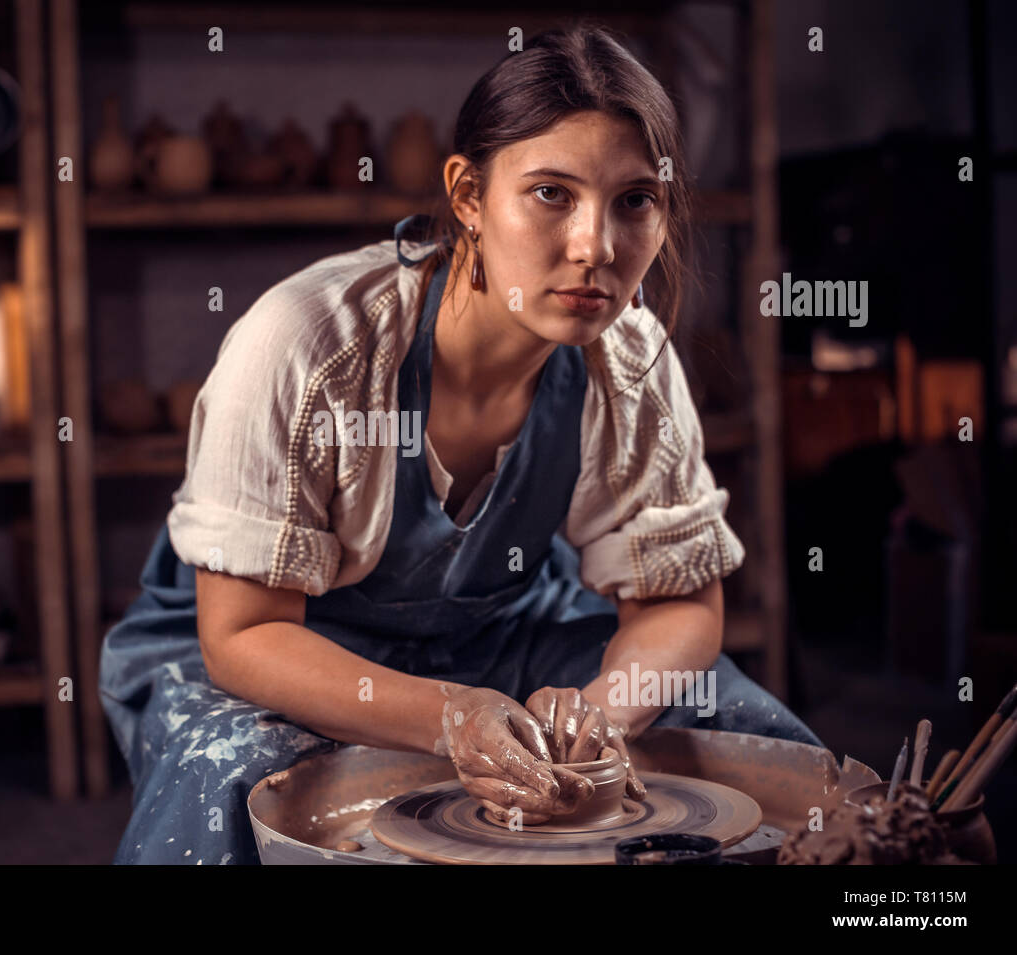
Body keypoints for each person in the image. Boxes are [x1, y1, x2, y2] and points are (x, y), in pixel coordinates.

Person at [100, 22, 824, 865]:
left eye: (635, 200)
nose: (596, 248)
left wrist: (602, 713)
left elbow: (678, 604)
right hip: (285, 642)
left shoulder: (628, 358)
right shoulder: (307, 343)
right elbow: (244, 634)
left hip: (498, 630)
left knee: (729, 721)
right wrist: (449, 715)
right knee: (247, 774)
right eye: (551, 193)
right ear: (469, 195)